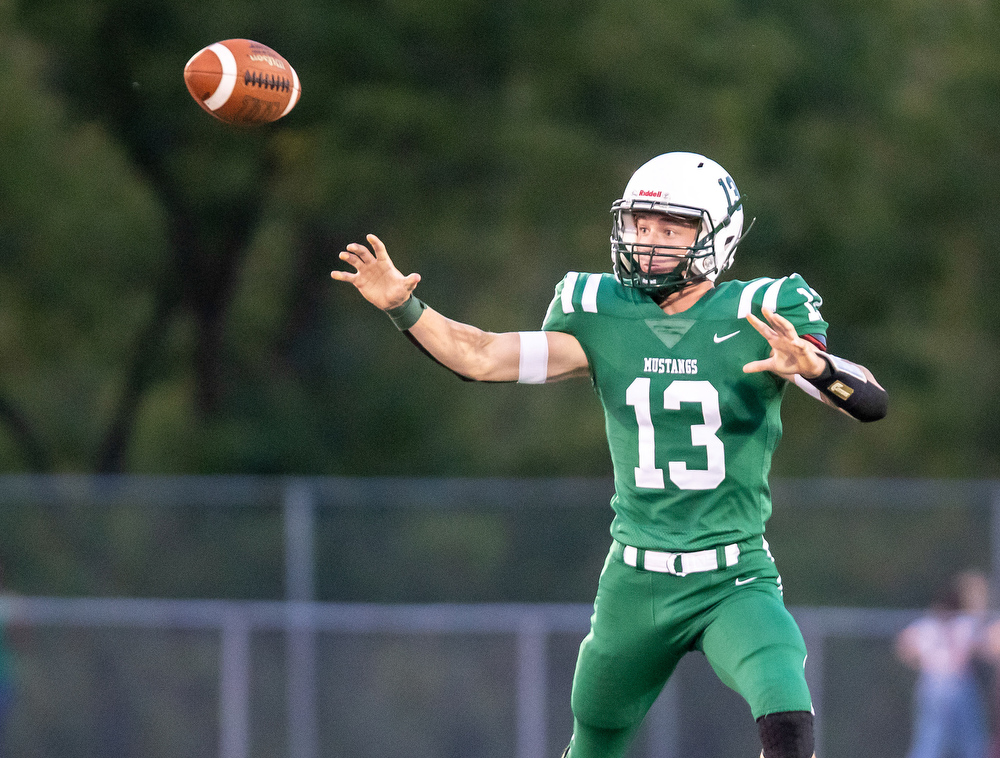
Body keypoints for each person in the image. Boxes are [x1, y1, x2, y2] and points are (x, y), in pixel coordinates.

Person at [331, 151, 888, 758]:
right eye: (641, 224)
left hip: (733, 574)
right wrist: (403, 306)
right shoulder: (598, 310)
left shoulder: (761, 313)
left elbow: (869, 401)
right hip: (636, 578)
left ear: (718, 236)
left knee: (785, 704)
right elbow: (481, 356)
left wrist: (816, 368)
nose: (649, 242)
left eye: (671, 229)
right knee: (594, 736)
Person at [897, 571, 989, 758]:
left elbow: (904, 646)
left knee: (931, 741)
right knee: (969, 743)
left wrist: (924, 662)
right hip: (956, 684)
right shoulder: (964, 623)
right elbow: (983, 645)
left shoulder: (926, 625)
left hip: (933, 683)